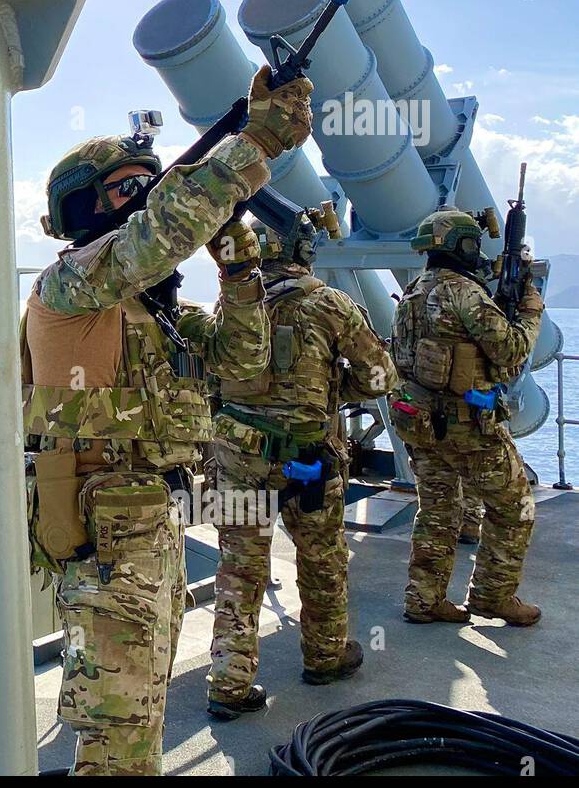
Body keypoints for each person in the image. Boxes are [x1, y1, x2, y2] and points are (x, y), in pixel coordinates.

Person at [21, 64, 312, 774]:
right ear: (85, 208)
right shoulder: (71, 285)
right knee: (119, 735)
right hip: (108, 529)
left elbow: (241, 365)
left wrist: (241, 276)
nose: (142, 199)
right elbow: (161, 231)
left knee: (138, 715)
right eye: (127, 189)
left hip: (152, 521)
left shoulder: (155, 314)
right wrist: (256, 144)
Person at [205, 209, 398, 719]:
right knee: (321, 559)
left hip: (239, 456)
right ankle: (325, 654)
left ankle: (228, 680)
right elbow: (380, 378)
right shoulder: (331, 305)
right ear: (301, 250)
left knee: (239, 568)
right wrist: (336, 390)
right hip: (307, 459)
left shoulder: (228, 306)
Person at [389, 208, 545, 625]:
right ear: (465, 245)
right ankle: (492, 596)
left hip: (421, 424)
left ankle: (423, 600)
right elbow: (510, 350)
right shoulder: (465, 293)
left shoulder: (412, 293)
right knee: (514, 508)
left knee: (437, 510)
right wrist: (530, 311)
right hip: (469, 426)